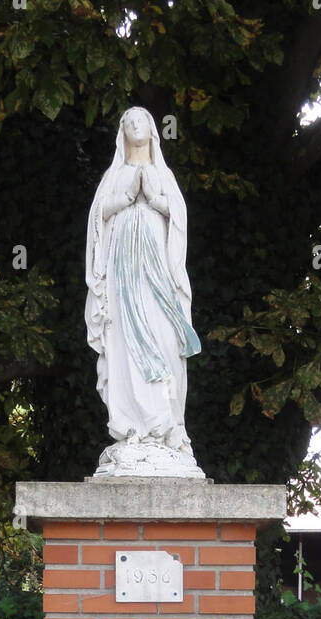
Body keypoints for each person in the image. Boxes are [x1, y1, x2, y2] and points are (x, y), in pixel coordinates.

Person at [85, 107, 201, 466]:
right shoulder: (114, 175)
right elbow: (96, 219)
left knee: (167, 341)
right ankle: (132, 425)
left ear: (153, 130)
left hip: (158, 277)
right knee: (123, 344)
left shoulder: (162, 175)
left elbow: (179, 219)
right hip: (122, 276)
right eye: (129, 120)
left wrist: (152, 198)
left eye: (142, 119)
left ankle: (168, 427)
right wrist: (123, 198)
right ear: (122, 132)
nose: (136, 123)